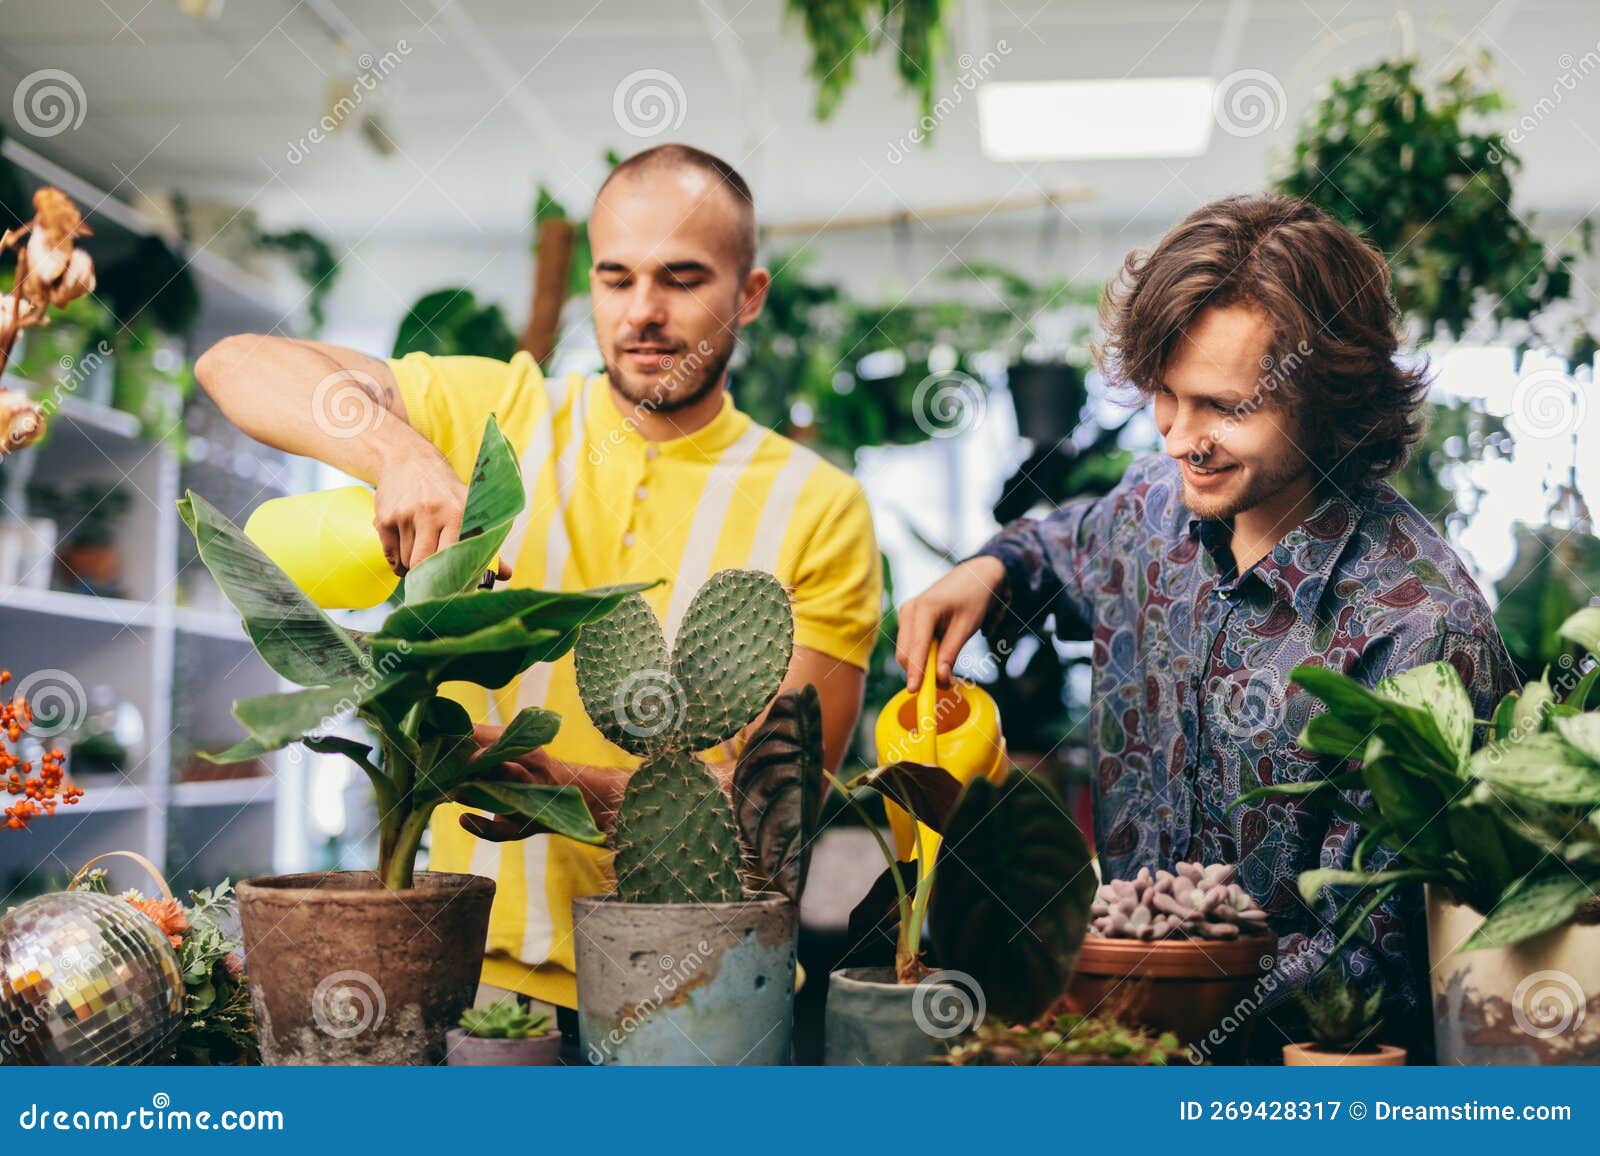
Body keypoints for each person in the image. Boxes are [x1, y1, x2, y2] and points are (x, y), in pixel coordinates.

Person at [195, 143, 881, 1018]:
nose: (644, 312)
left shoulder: (821, 506)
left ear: (749, 293)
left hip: (701, 998)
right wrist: (402, 455)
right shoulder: (502, 411)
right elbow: (238, 363)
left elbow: (774, 813)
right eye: (616, 277)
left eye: (681, 278)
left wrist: (561, 787)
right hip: (467, 985)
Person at [896, 194, 1516, 1055]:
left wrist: (1115, 987)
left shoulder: (1422, 633)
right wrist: (990, 568)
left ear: (1329, 399)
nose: (1182, 438)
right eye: (1164, 395)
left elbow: (1377, 961)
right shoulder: (1152, 510)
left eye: (1224, 408)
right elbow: (1065, 542)